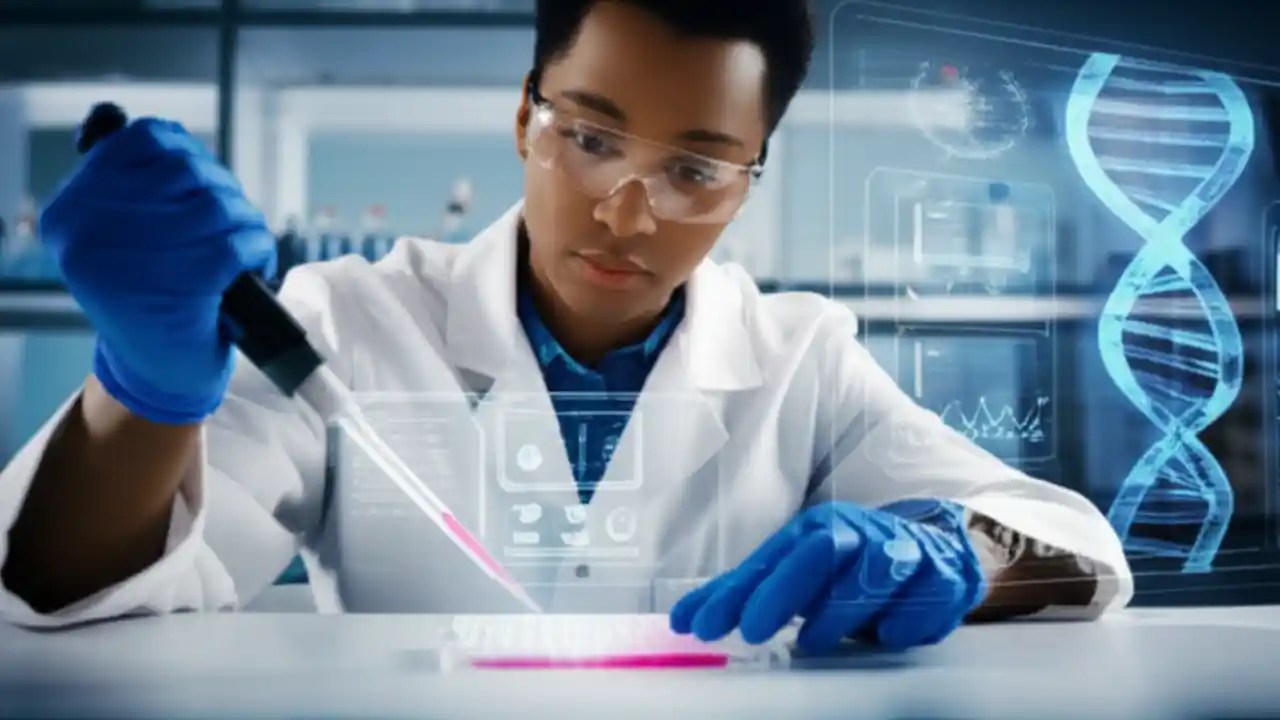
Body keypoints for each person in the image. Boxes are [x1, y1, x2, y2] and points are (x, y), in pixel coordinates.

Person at [0, 0, 1131, 653]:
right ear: (522, 121)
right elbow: (67, 586)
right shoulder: (346, 317)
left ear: (745, 187)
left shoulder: (801, 358)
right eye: (587, 138)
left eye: (693, 168)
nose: (625, 214)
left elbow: (1076, 551)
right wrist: (141, 391)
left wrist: (954, 554)